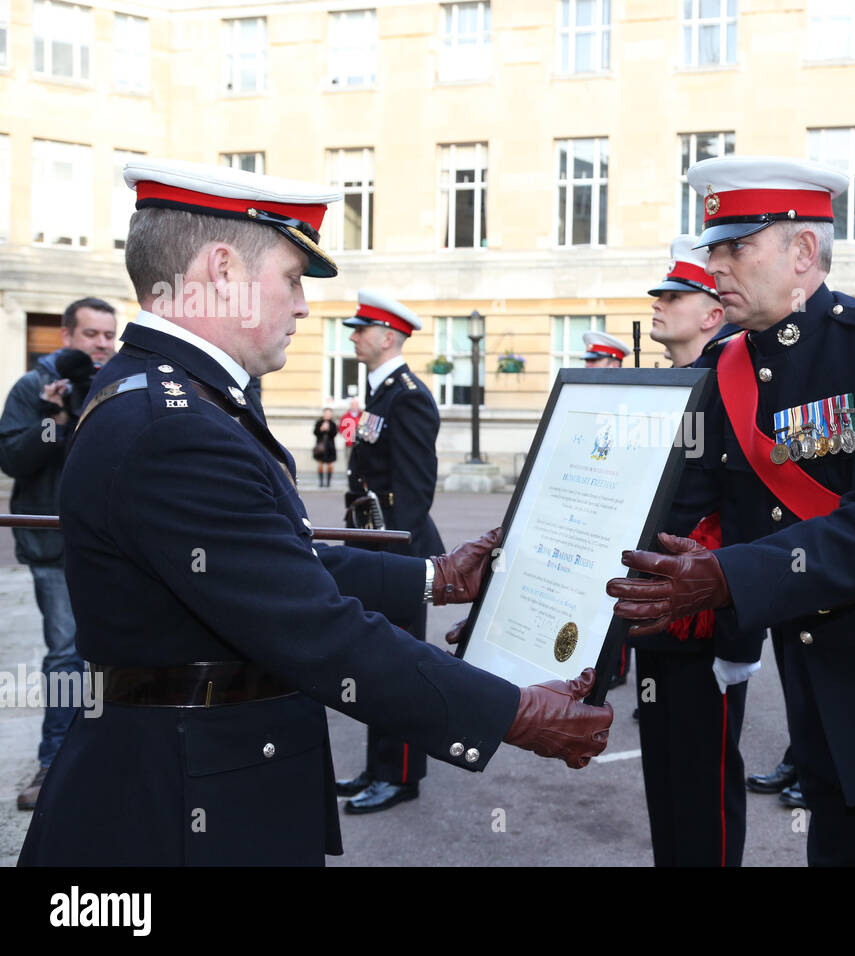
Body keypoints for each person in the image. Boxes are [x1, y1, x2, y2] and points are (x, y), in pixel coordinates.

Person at [17, 158, 611, 866]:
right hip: (181, 810)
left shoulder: (172, 397)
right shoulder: (171, 422)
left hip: (194, 779)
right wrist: (516, 712)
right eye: (293, 279)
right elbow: (314, 628)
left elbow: (268, 561)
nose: (304, 307)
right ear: (224, 271)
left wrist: (436, 578)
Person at [607, 156, 855, 866]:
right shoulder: (722, 367)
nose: (718, 265)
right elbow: (670, 510)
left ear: (803, 251)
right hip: (816, 677)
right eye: (713, 248)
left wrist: (727, 578)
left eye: (737, 246)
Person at [634, 235, 759, 865]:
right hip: (658, 611)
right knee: (666, 775)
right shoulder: (679, 382)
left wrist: (739, 640)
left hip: (703, 621)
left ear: (713, 314)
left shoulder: (729, 384)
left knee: (703, 783)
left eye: (674, 295)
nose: (659, 304)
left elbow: (748, 514)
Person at [0, 297, 117, 811]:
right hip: (53, 545)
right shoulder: (33, 387)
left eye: (109, 336)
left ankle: (104, 760)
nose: (102, 345)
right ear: (67, 336)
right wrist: (53, 417)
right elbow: (14, 461)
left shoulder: (112, 381)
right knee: (67, 652)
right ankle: (53, 763)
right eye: (92, 335)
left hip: (107, 542)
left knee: (110, 651)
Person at [336, 290, 448, 813]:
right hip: (373, 544)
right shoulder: (379, 393)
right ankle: (378, 767)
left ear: (387, 337)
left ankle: (400, 775)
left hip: (395, 552)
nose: (354, 337)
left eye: (361, 330)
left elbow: (414, 487)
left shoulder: (407, 396)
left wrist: (393, 558)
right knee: (375, 662)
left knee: (397, 668)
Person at [312, 406, 339, 487]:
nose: (327, 415)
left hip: (330, 447)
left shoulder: (333, 423)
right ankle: (321, 482)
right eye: (326, 413)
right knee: (320, 464)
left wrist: (328, 429)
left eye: (329, 414)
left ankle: (328, 483)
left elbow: (334, 434)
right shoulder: (319, 422)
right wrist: (321, 429)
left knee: (330, 465)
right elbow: (315, 432)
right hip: (321, 446)